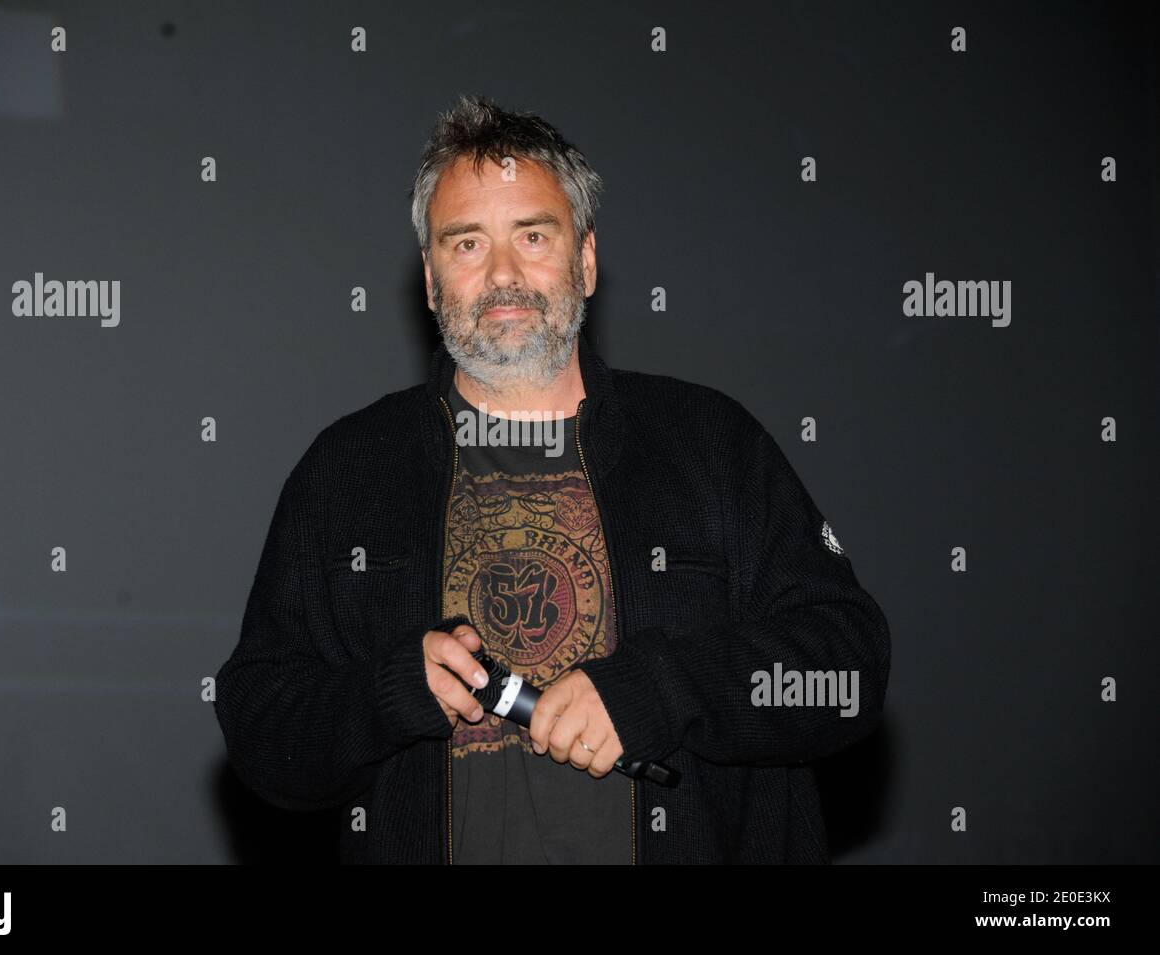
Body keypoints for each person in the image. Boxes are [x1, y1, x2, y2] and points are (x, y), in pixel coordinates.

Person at [214, 93, 891, 864]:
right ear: (432, 283)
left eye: (533, 236)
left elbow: (846, 668)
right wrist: (388, 691)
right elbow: (259, 726)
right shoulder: (348, 469)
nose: (503, 274)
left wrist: (660, 690)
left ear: (586, 259)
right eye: (466, 245)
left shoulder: (710, 443)